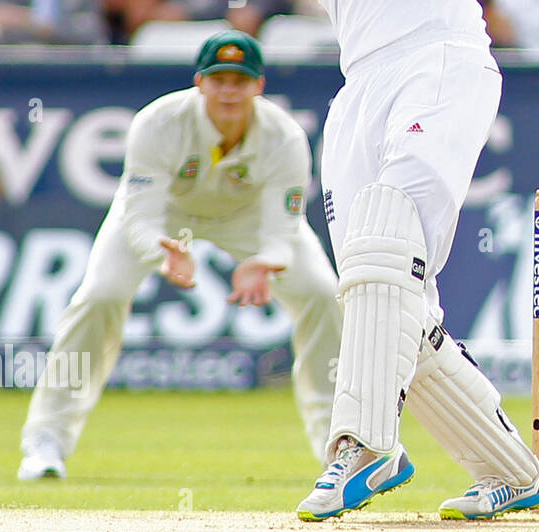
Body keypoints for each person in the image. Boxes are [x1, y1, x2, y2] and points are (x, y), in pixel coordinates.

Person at [272, 0, 539, 520]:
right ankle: (512, 472)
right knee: (389, 291)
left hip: (445, 62)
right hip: (362, 88)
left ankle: (362, 446)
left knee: (387, 245)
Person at [17, 31, 343, 479]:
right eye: (219, 79)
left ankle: (336, 445)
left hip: (246, 218)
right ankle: (46, 438)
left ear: (258, 86)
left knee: (323, 295)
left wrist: (266, 261)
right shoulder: (158, 122)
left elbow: (282, 225)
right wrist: (161, 250)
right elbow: (140, 216)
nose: (229, 91)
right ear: (199, 82)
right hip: (165, 218)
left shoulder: (283, 136)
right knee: (99, 297)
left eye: (240, 80)